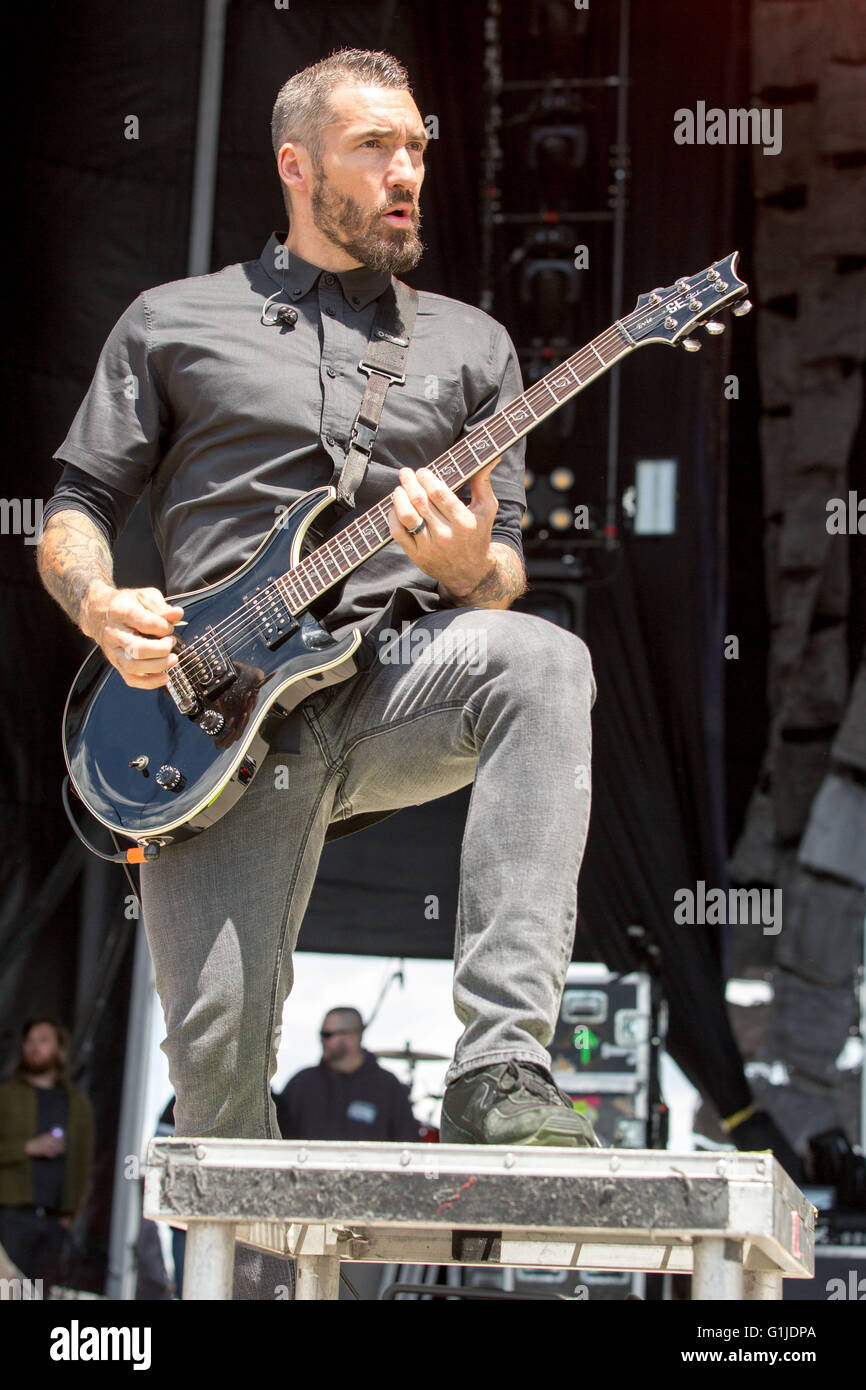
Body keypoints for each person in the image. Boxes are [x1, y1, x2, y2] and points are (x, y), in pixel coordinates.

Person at [37, 48, 598, 1294]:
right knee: (221, 1107)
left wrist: (467, 565)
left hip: (387, 679)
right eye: (374, 148)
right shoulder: (172, 320)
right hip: (206, 726)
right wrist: (100, 605)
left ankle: (500, 1067)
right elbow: (73, 508)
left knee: (542, 663)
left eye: (416, 148)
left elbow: (501, 570)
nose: (406, 173)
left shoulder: (472, 346)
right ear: (296, 164)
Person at [0, 1018, 94, 1291]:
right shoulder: (7, 1096)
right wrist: (27, 1147)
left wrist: (70, 1216)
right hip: (11, 1217)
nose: (35, 1047)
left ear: (59, 1048)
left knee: (40, 1292)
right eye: (29, 1041)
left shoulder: (77, 1104)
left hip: (54, 1222)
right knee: (9, 1291)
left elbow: (84, 1164)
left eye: (43, 1040)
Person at [275, 1008, 419, 1141]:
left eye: (327, 1034)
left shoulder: (387, 1086)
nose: (322, 1040)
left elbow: (408, 1142)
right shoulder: (302, 1082)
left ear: (352, 1036)